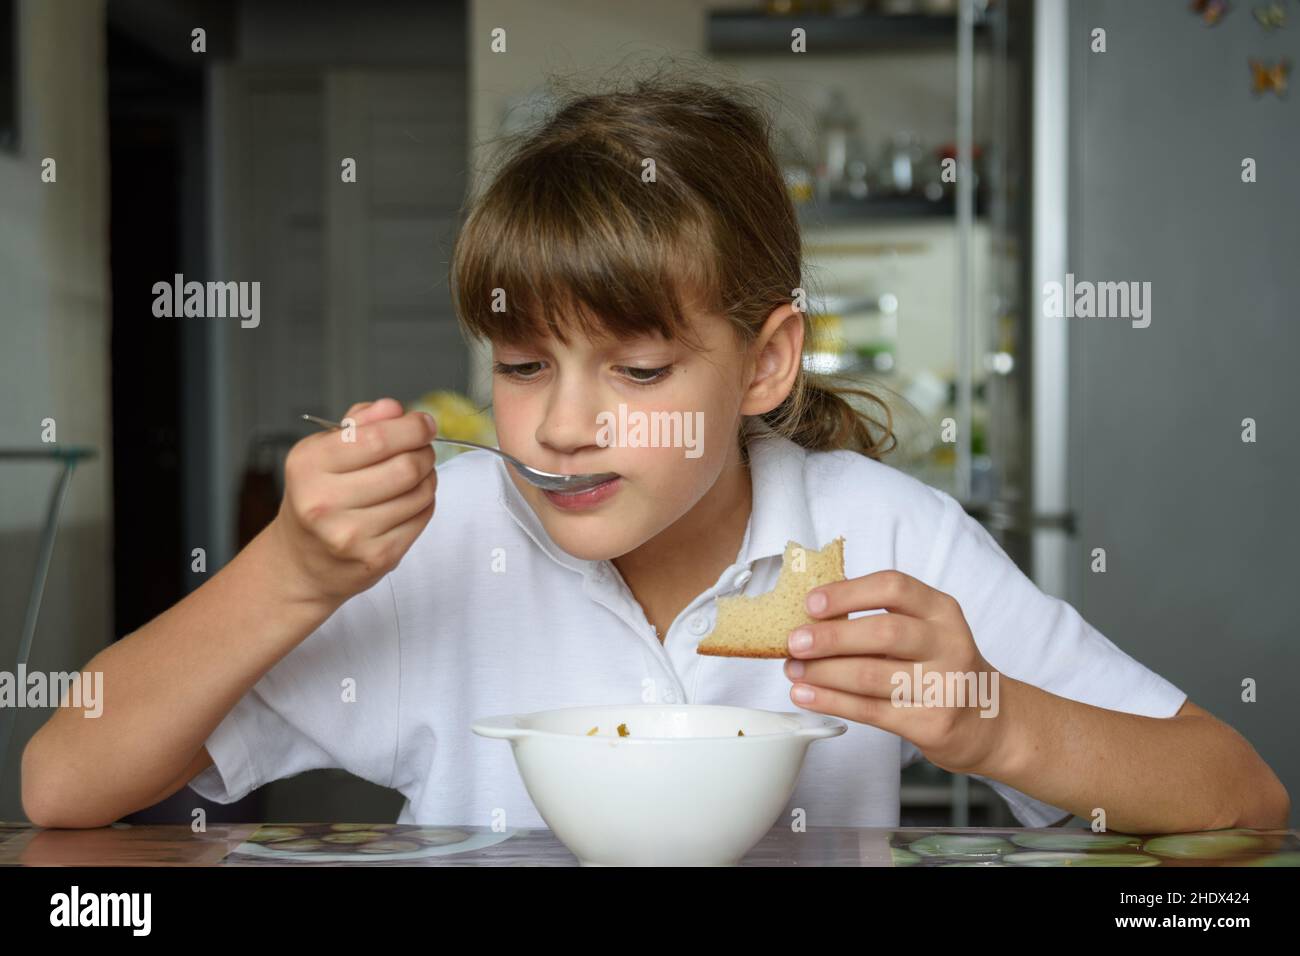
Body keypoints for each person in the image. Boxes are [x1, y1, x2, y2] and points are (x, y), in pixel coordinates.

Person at [22, 74, 1288, 833]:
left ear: (765, 362)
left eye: (635, 371)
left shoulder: (879, 536)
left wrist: (991, 717)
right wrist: (291, 571)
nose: (562, 424)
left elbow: (1243, 796)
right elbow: (63, 782)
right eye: (521, 367)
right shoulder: (443, 538)